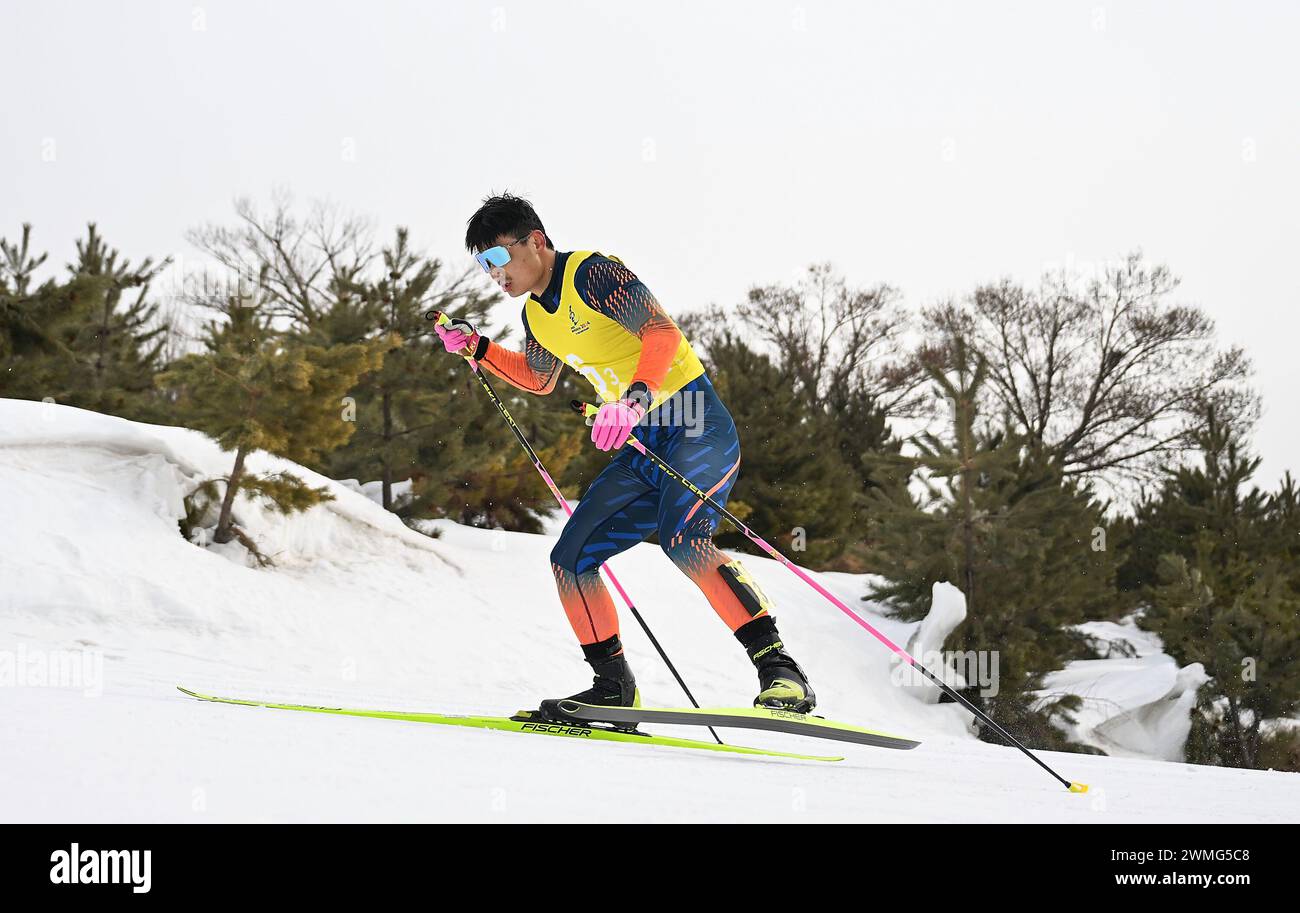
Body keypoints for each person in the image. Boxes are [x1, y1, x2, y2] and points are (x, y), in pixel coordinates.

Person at [437, 193, 815, 717]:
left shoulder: (592, 274)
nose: (492, 273)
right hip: (641, 441)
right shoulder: (536, 315)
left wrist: (635, 399)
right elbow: (539, 379)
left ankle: (782, 673)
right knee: (570, 560)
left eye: (498, 257)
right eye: (482, 265)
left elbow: (660, 331)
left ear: (537, 242)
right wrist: (478, 347)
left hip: (693, 421)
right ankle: (613, 686)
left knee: (684, 540)